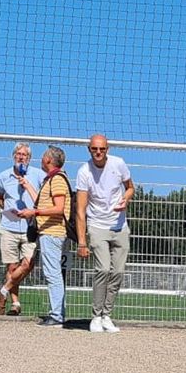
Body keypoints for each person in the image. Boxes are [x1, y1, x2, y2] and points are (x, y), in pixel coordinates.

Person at [76, 134, 134, 333]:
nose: (98, 152)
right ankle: (96, 315)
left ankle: (107, 315)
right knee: (103, 269)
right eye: (94, 149)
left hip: (119, 225)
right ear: (89, 149)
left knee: (117, 272)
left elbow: (130, 188)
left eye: (102, 149)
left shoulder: (119, 164)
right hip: (97, 225)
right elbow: (80, 210)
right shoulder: (84, 172)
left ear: (107, 149)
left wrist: (125, 199)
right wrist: (82, 241)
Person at [17, 145, 72, 327]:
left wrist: (34, 212)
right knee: (54, 272)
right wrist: (27, 186)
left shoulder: (56, 180)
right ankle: (58, 313)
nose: (40, 160)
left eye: (42, 157)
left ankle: (56, 315)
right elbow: (42, 201)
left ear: (49, 160)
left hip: (52, 232)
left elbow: (58, 208)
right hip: (51, 232)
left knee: (52, 273)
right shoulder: (52, 180)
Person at [0, 142, 45, 315]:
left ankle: (3, 289)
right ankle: (15, 304)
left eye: (25, 155)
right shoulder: (3, 176)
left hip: (30, 227)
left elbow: (43, 197)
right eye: (19, 154)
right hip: (9, 226)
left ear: (29, 158)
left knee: (28, 263)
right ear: (13, 156)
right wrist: (7, 209)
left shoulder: (38, 175)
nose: (21, 157)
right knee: (12, 268)